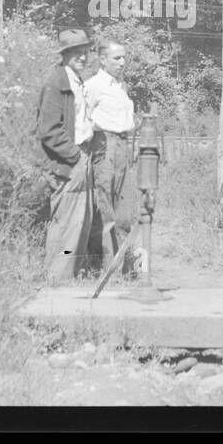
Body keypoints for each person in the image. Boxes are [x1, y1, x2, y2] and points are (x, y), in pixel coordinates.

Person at [35, 29, 96, 282]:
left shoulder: (75, 79)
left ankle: (71, 275)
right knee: (66, 223)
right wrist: (74, 157)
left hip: (82, 155)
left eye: (85, 52)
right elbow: (48, 130)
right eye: (76, 52)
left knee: (80, 222)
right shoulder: (56, 81)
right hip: (68, 161)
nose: (82, 57)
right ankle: (57, 279)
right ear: (64, 54)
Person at [84, 40, 136, 272]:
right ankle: (107, 267)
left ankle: (123, 264)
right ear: (102, 60)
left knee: (123, 210)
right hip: (104, 146)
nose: (122, 63)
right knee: (106, 208)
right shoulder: (93, 85)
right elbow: (83, 119)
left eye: (124, 58)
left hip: (124, 146)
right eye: (117, 58)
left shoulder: (121, 87)